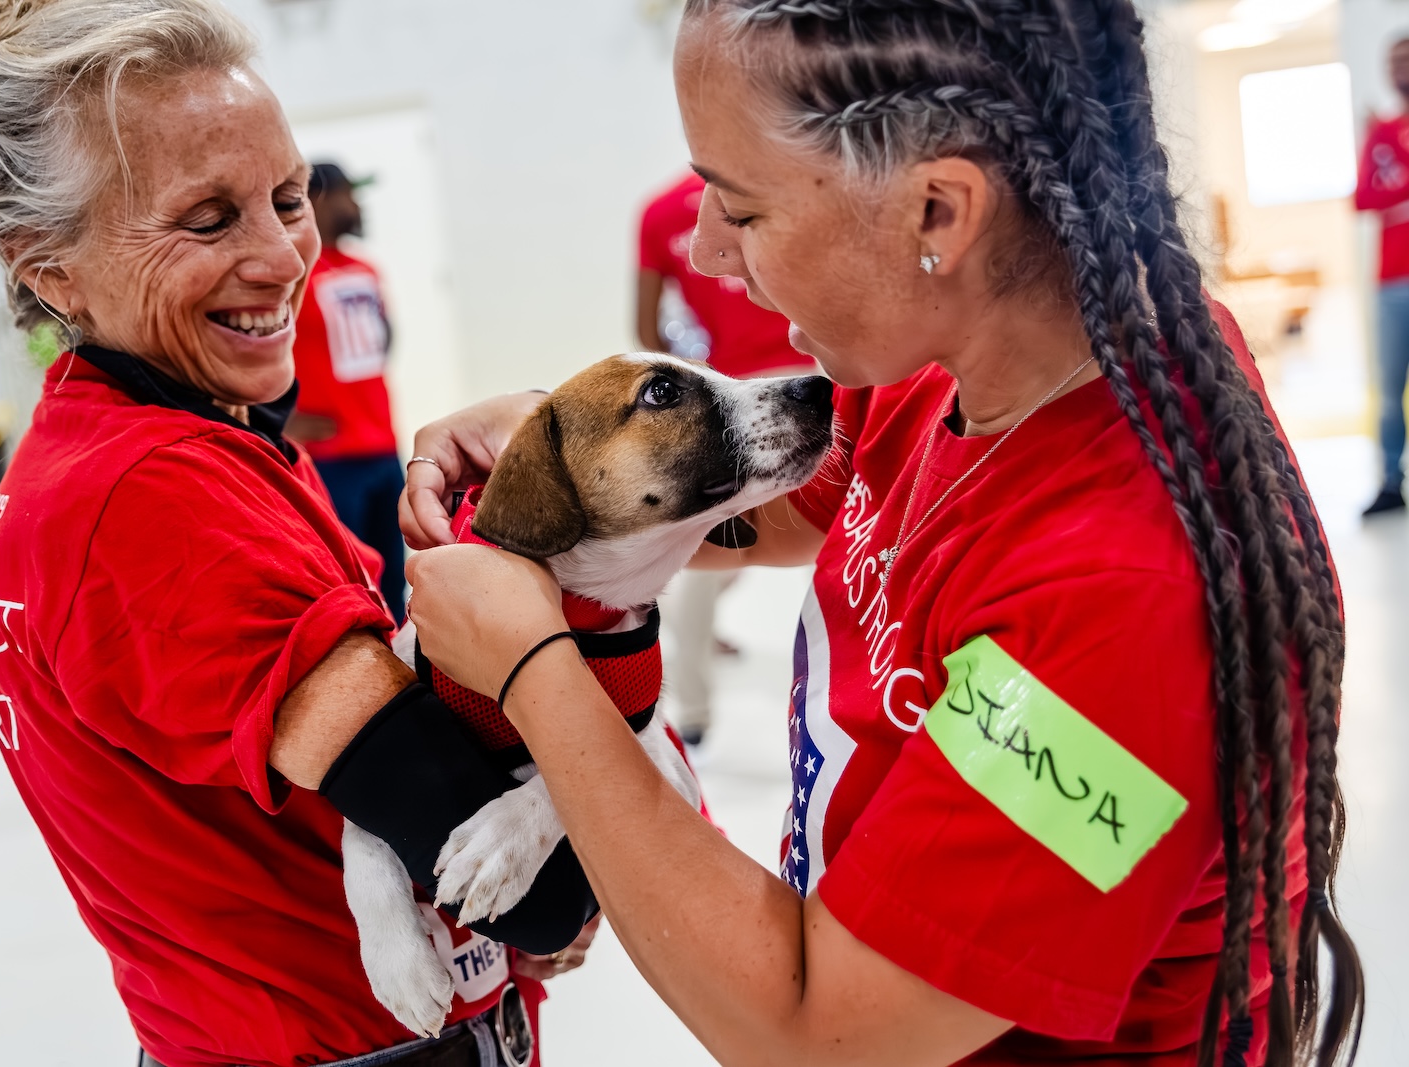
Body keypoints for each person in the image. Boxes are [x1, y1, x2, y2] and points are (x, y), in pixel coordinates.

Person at [401, 2, 1364, 1065]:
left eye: (741, 207)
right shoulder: (951, 362)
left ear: (937, 215)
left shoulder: (1122, 602)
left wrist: (537, 671)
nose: (708, 253)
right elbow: (783, 500)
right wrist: (553, 454)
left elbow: (825, 1036)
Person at [0, 1, 594, 1065]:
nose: (281, 256)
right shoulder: (151, 495)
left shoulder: (146, 442)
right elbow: (534, 892)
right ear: (48, 269)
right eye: (207, 221)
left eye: (288, 197)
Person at [636, 172, 818, 744]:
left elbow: (645, 328)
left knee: (710, 543)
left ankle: (690, 704)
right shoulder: (776, 181)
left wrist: (694, 397)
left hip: (739, 395)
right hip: (814, 376)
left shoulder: (657, 211)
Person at [289, 162, 408, 619]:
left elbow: (382, 342)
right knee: (349, 581)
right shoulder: (293, 274)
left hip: (381, 447)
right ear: (313, 202)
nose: (354, 206)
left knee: (395, 577)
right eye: (344, 195)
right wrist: (277, 414)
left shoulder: (366, 269)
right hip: (328, 457)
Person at [1355, 36, 1409, 518]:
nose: (1400, 68)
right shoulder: (1383, 132)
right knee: (1390, 390)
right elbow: (1362, 199)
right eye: (1394, 61)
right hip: (1392, 280)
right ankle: (1391, 481)